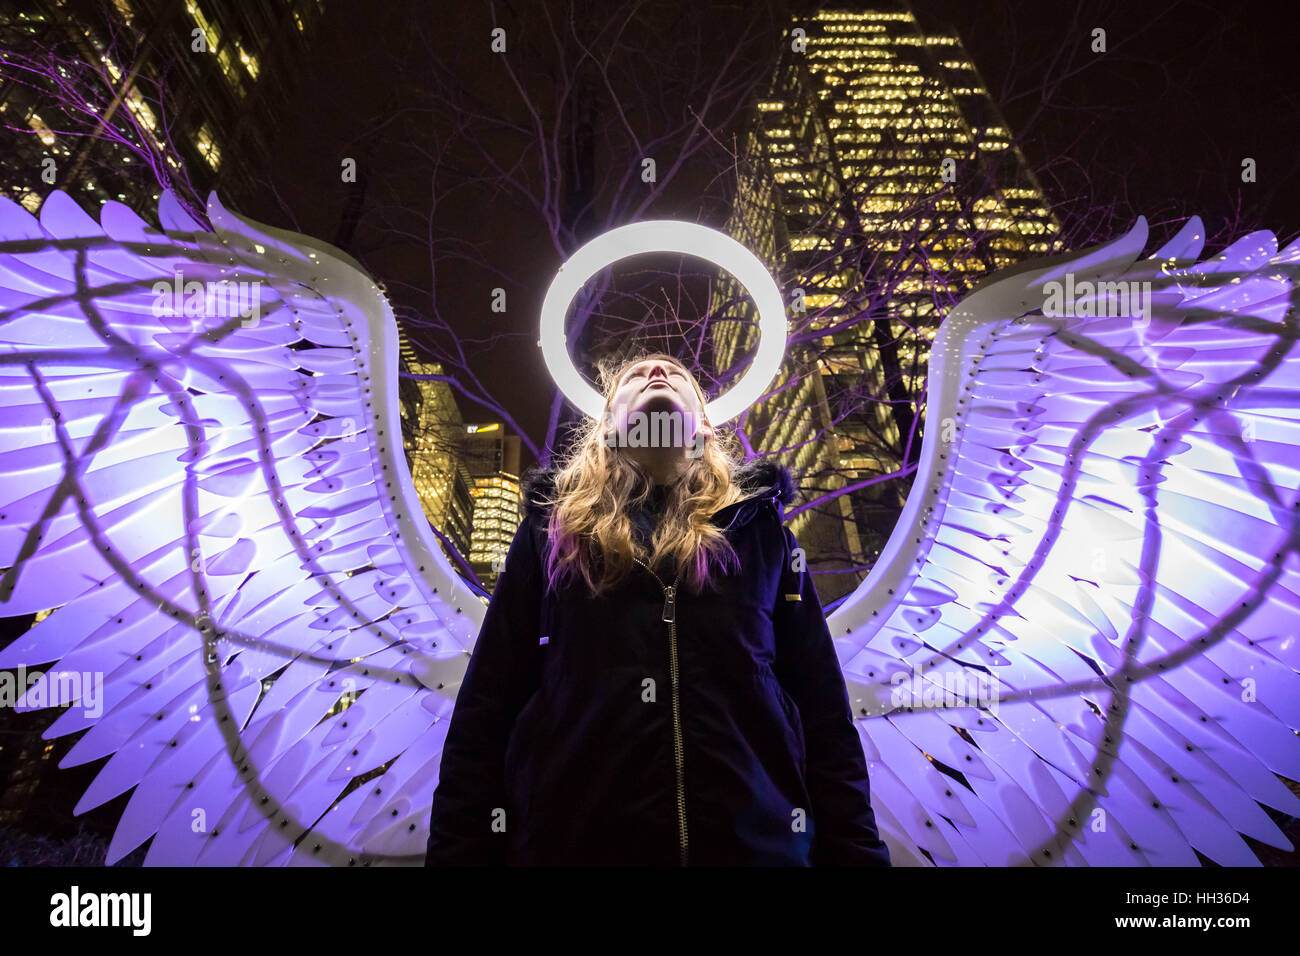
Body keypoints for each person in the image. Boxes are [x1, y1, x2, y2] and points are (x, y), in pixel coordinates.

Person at [424, 351, 892, 866]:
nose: (656, 372)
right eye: (633, 376)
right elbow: (485, 711)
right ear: (607, 429)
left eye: (677, 374)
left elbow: (824, 716)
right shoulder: (548, 535)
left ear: (706, 429)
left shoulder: (766, 539)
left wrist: (857, 854)